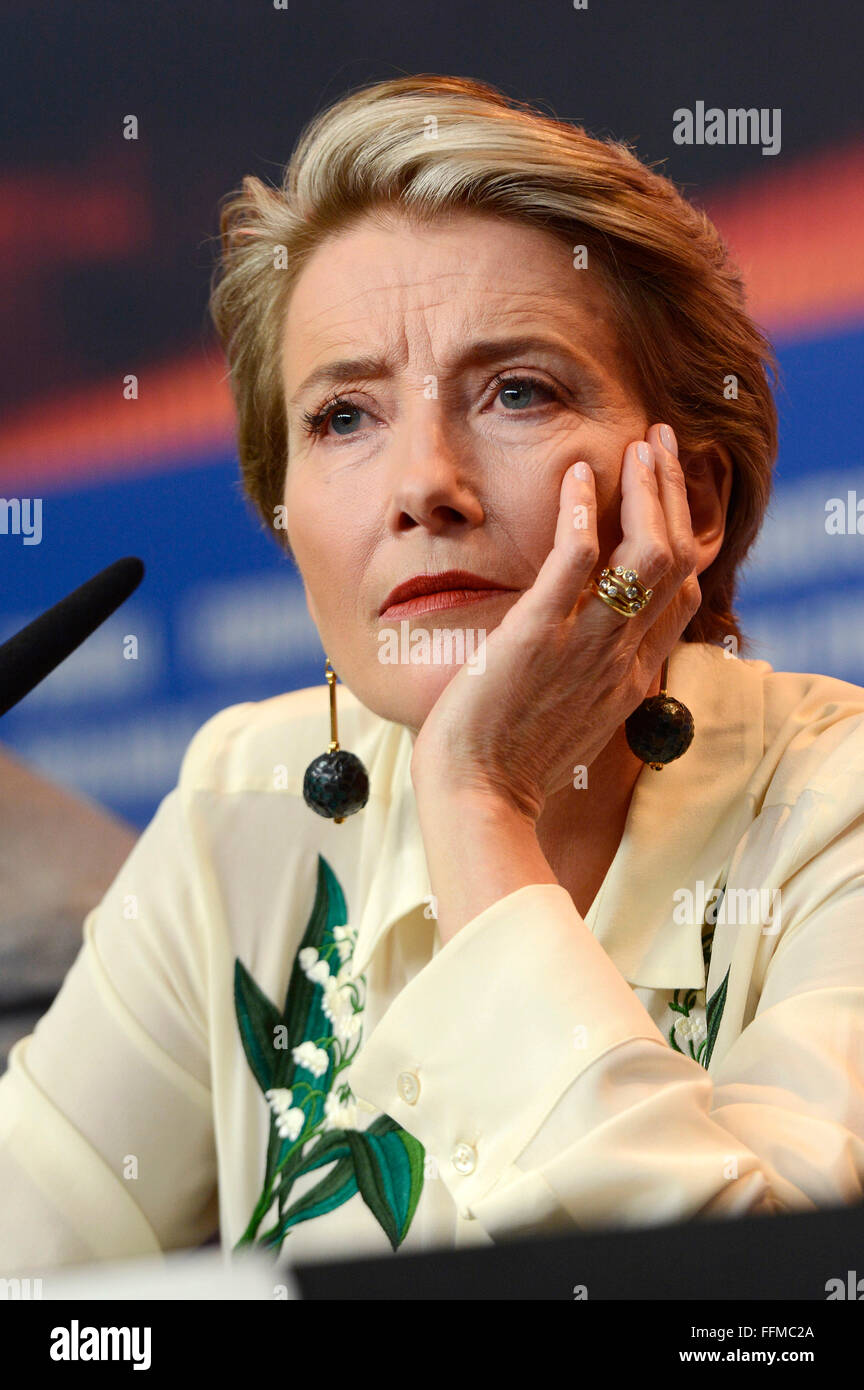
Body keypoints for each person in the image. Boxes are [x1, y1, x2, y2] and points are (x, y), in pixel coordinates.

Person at [2, 73, 864, 1277]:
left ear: (692, 499)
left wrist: (476, 801)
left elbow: (758, 1315)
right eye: (343, 417)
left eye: (518, 390)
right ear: (285, 514)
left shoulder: (841, 809)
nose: (424, 484)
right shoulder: (241, 805)